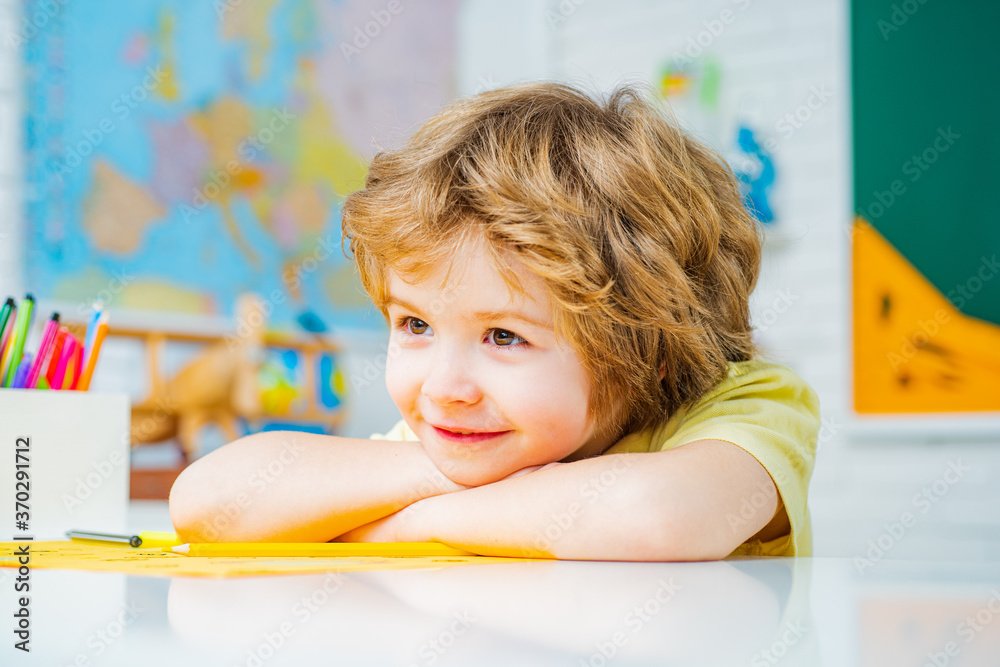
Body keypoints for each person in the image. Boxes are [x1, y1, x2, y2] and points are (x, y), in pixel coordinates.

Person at [168, 81, 821, 561]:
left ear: (652, 350)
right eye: (416, 326)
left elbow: (657, 518)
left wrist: (402, 523)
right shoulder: (465, 433)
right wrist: (449, 481)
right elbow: (206, 500)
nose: (444, 386)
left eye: (504, 335)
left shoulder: (748, 404)